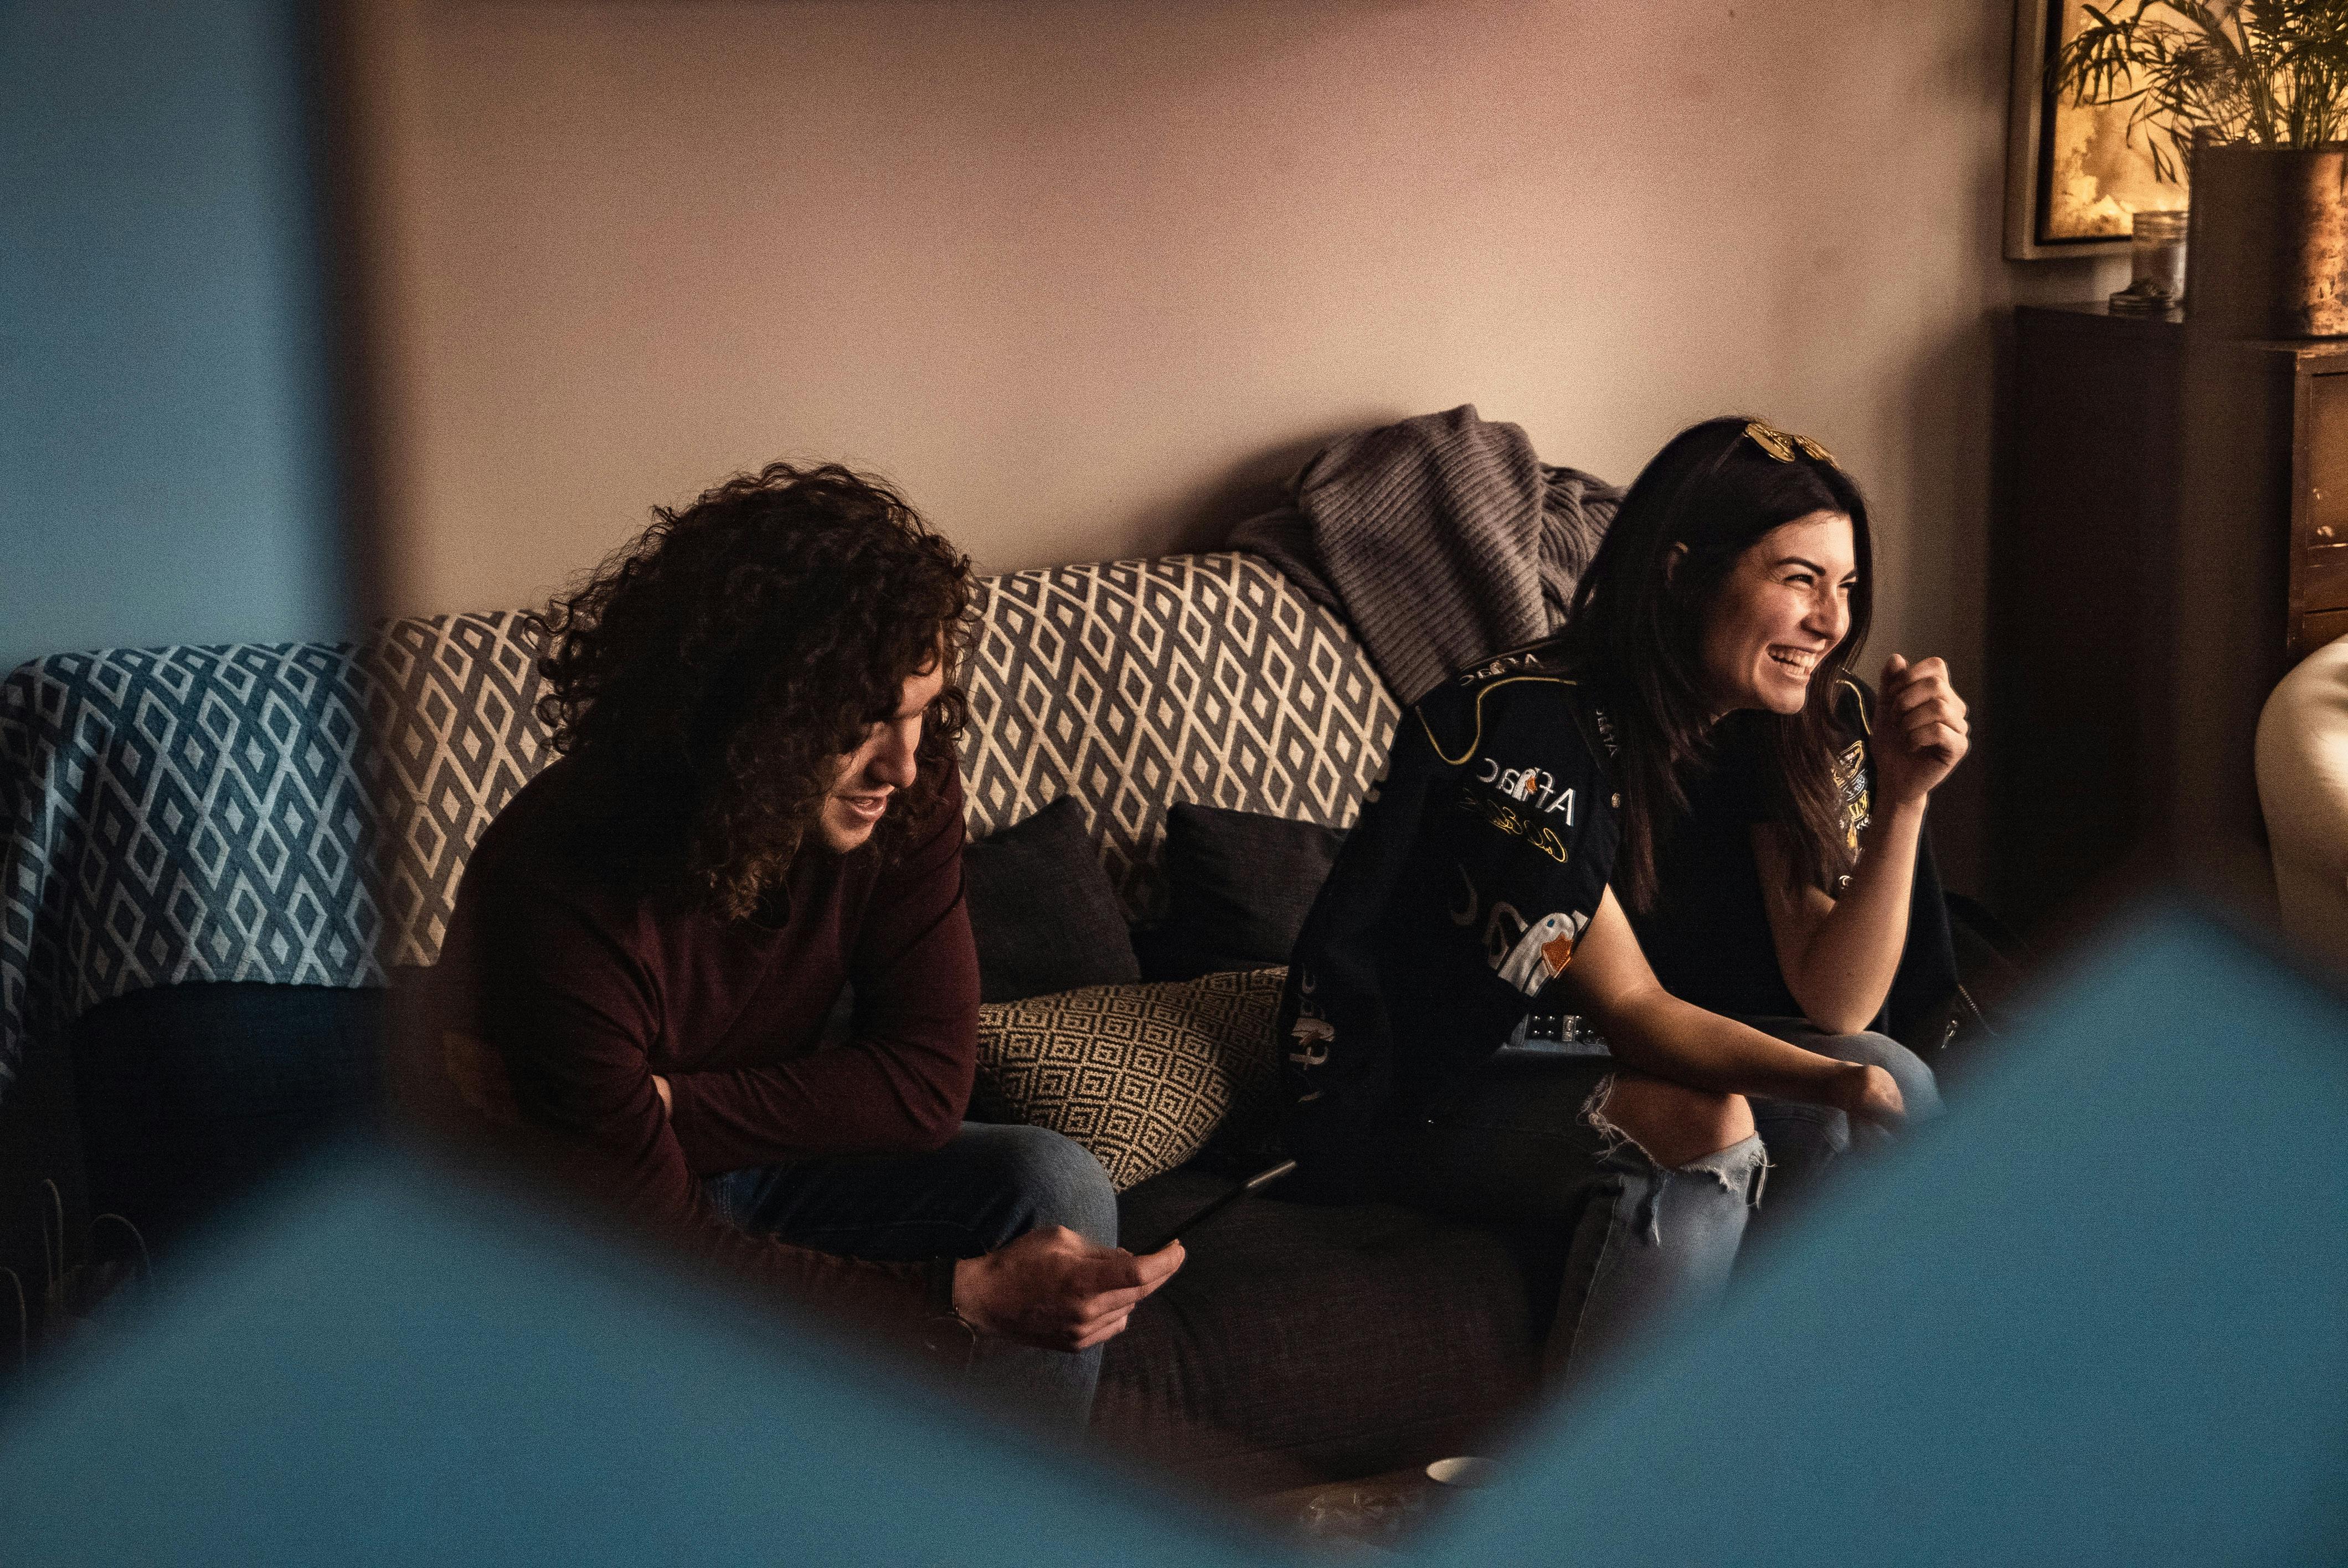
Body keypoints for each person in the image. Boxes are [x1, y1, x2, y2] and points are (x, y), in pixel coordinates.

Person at [429, 461, 1182, 1428]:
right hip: (565, 1236)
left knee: (1051, 1181)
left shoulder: (901, 800)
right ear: (748, 717)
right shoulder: (560, 893)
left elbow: (924, 1085)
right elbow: (660, 1256)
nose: (904, 766)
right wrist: (964, 1297)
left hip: (731, 1160)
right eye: (863, 726)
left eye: (918, 714)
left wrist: (673, 1108)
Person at [1276, 415, 1966, 1390]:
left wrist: (1903, 801)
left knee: (1885, 1062)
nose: (1833, 623)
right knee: (1707, 1124)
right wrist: (1834, 1085)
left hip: (1621, 1050)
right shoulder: (1526, 727)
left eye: (1845, 586)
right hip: (1442, 1077)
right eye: (1799, 580)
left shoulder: (1791, 720)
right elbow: (1638, 1014)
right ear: (1683, 575)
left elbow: (1838, 1003)